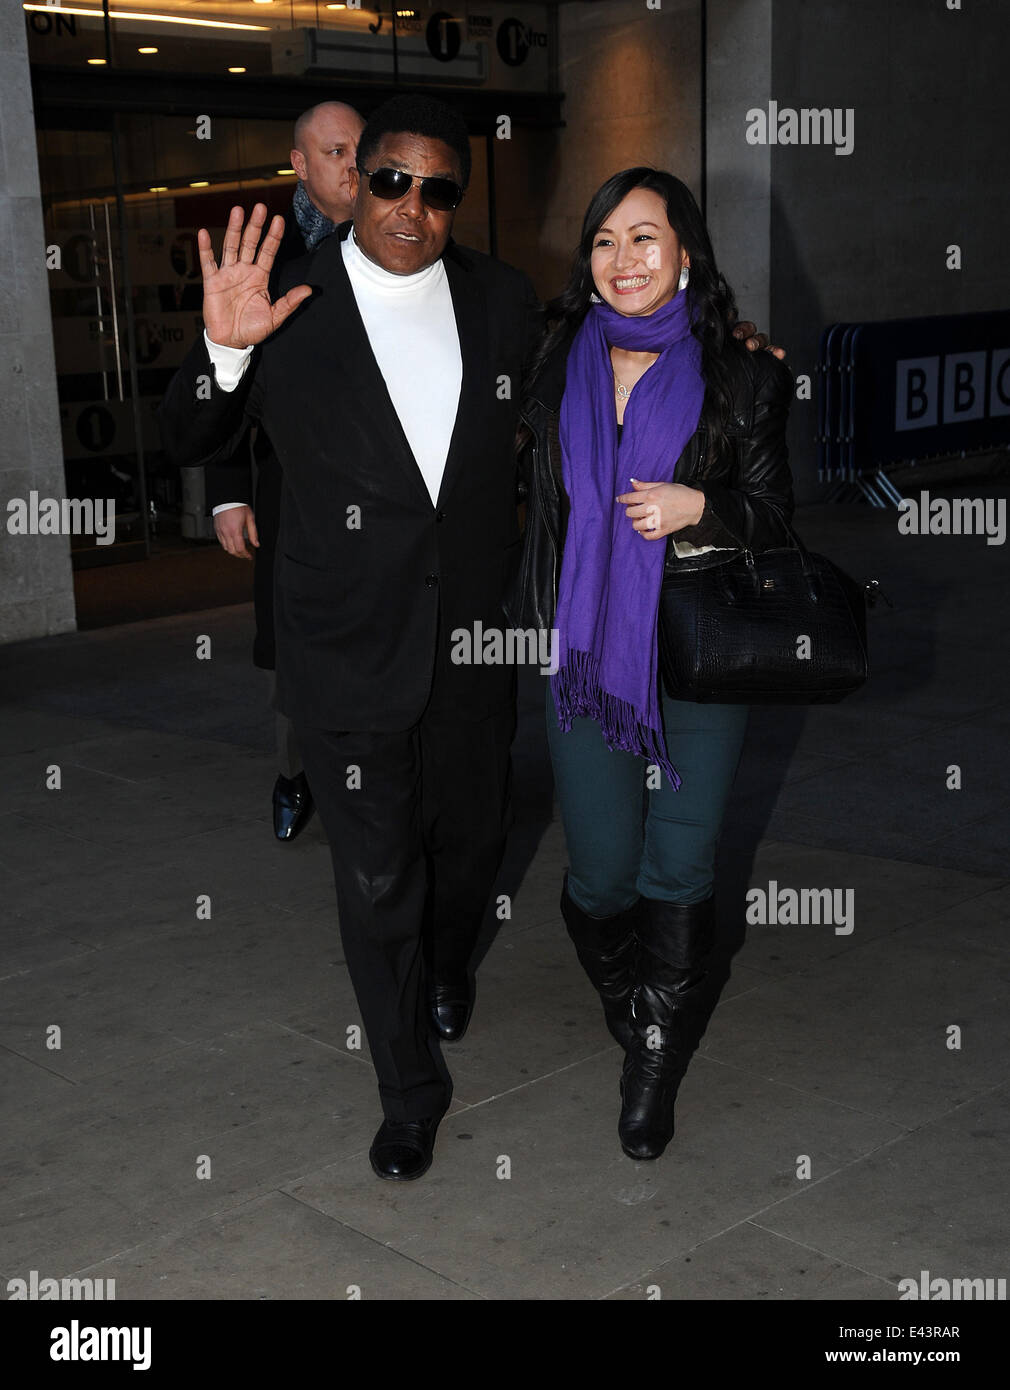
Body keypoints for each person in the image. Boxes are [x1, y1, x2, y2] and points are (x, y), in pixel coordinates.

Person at [160, 95, 541, 1181]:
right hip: (345, 643)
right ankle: (407, 1088)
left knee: (470, 843)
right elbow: (190, 432)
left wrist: (726, 346)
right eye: (390, 181)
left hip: (471, 642)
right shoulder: (290, 300)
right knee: (375, 879)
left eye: (438, 188)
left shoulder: (505, 299)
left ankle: (447, 965)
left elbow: (576, 391)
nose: (412, 207)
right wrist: (220, 354)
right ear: (353, 182)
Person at [507, 167, 794, 1161]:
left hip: (697, 652)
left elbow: (774, 518)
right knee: (596, 877)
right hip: (583, 652)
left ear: (684, 254)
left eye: (644, 238)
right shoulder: (552, 355)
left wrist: (699, 507)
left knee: (680, 862)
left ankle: (650, 1069)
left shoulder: (745, 375)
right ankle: (636, 997)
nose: (622, 259)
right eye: (603, 241)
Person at [204, 101, 365, 843]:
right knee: (292, 655)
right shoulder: (264, 252)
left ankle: (372, 779)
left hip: (382, 495)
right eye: (335, 151)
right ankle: (295, 774)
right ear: (298, 163)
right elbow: (217, 377)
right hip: (288, 494)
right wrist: (229, 492)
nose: (353, 165)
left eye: (361, 149)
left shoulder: (400, 239)